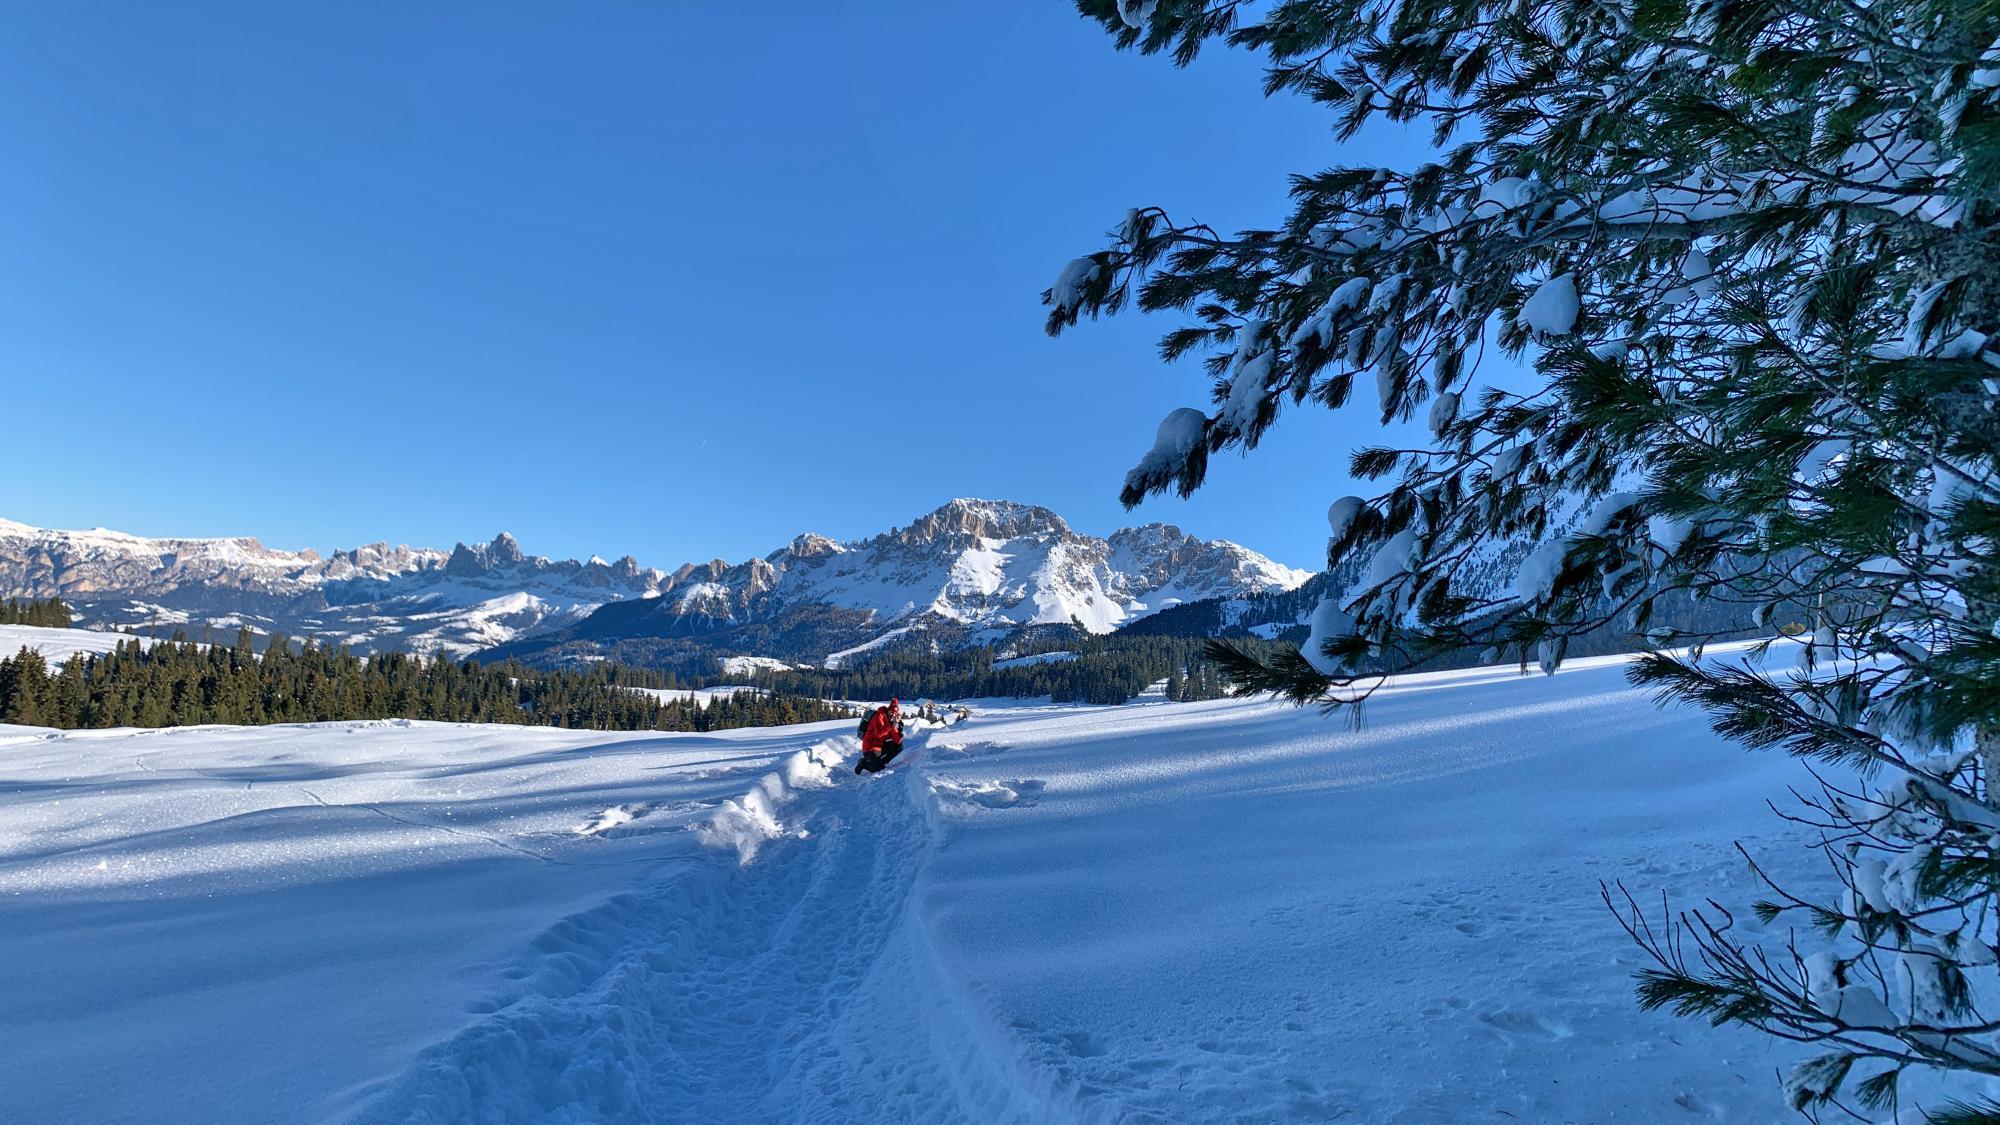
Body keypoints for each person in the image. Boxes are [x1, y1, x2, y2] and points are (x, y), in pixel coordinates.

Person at [854, 698, 905, 774]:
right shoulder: (879, 716)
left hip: (880, 747)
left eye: (894, 714)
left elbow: (897, 740)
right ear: (888, 710)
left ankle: (882, 763)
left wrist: (898, 729)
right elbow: (879, 733)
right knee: (877, 769)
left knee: (899, 746)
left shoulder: (891, 721)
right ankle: (863, 763)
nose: (892, 715)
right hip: (870, 747)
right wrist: (892, 724)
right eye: (891, 712)